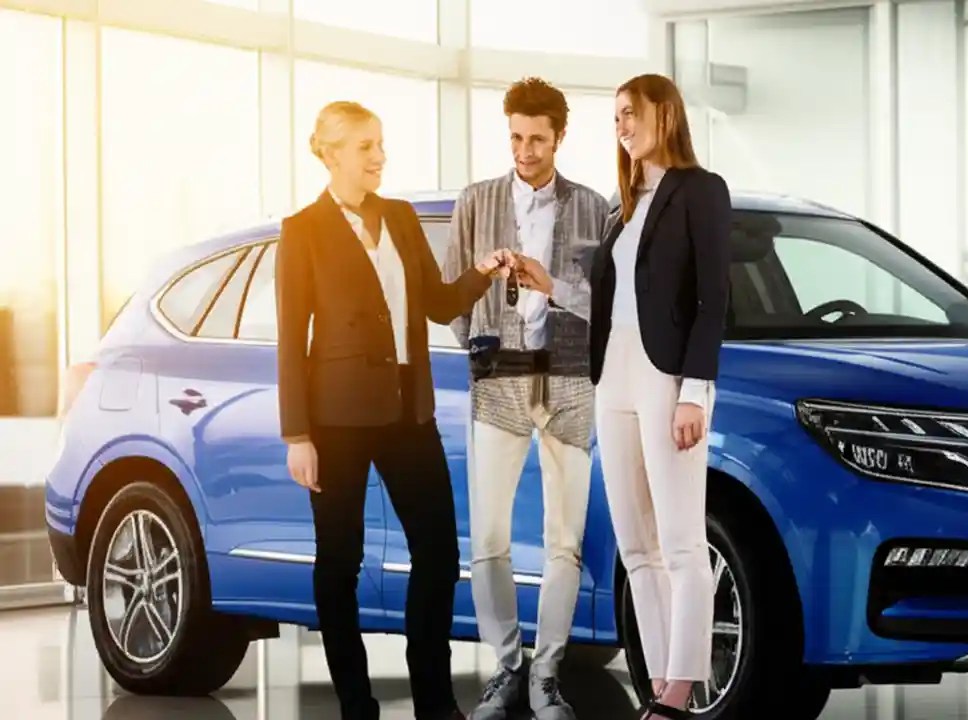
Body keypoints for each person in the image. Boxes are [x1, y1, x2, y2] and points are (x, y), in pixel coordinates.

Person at [276, 100, 514, 720]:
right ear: (331, 154)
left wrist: (482, 273)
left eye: (380, 144)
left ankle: (435, 702)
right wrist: (297, 434)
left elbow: (436, 304)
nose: (379, 156)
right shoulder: (302, 231)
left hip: (409, 412)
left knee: (438, 554)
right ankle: (358, 706)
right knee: (340, 565)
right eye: (365, 147)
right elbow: (289, 339)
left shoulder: (402, 218)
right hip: (335, 420)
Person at [442, 77, 610, 720]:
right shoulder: (476, 201)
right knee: (488, 534)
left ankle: (547, 675)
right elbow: (452, 292)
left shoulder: (596, 209)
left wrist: (554, 286)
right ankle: (506, 669)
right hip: (501, 378)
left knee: (564, 538)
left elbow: (610, 311)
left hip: (568, 379)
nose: (525, 150)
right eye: (516, 136)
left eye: (537, 138)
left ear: (560, 137)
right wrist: (475, 344)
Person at [586, 74, 732, 720]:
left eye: (630, 112)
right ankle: (657, 683)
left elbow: (712, 299)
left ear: (664, 114)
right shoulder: (620, 205)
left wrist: (695, 393)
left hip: (667, 376)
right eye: (615, 115)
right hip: (611, 375)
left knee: (679, 541)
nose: (621, 124)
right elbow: (608, 304)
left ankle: (681, 686)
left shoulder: (700, 191)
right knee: (636, 546)